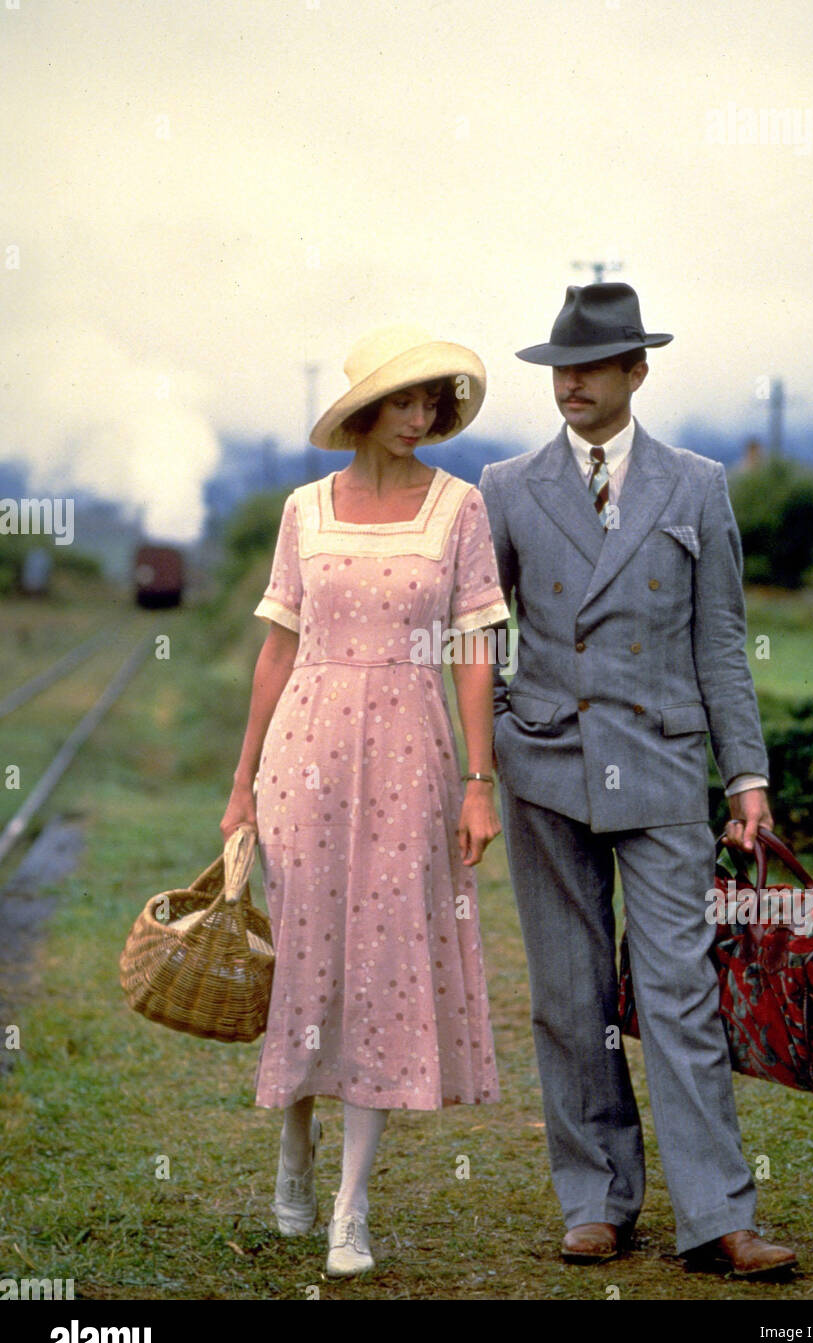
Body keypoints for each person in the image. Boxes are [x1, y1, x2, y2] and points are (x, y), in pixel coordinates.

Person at [479, 282, 798, 1279]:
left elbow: (722, 645)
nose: (568, 383)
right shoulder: (505, 485)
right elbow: (479, 639)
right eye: (557, 367)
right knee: (568, 995)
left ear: (636, 372)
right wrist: (481, 753)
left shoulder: (696, 484)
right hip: (545, 766)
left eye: (589, 366)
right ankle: (595, 1200)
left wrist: (745, 775)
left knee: (678, 991)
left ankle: (716, 1217)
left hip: (663, 768)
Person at [221, 323, 508, 1278]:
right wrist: (241, 785)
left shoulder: (460, 509)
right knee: (307, 949)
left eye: (434, 401)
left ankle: (353, 1206)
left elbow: (475, 650)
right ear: (365, 412)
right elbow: (277, 648)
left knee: (385, 960)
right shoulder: (304, 510)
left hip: (412, 756)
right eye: (406, 400)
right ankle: (293, 1146)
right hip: (304, 751)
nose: (423, 416)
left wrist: (479, 781)